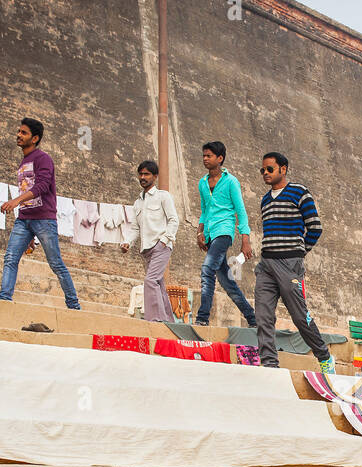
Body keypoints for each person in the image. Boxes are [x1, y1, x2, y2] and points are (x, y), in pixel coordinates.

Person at [254, 152, 335, 376]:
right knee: (262, 315)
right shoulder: (265, 200)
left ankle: (324, 356)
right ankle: (269, 364)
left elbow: (315, 227)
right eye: (262, 170)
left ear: (283, 169)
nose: (265, 174)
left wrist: (299, 252)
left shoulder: (300, 193)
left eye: (270, 169)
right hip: (266, 265)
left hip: (290, 264)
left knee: (299, 316)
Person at [0, 118, 82, 309]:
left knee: (55, 263)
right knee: (10, 258)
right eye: (19, 131)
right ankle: (4, 299)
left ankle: (74, 305)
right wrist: (27, 230)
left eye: (23, 133)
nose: (18, 135)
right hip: (24, 219)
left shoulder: (43, 159)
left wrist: (16, 201)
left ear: (35, 138)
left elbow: (42, 186)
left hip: (44, 219)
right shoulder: (24, 162)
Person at [195, 141, 256, 327]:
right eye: (204, 155)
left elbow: (241, 211)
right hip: (211, 234)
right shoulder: (202, 183)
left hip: (224, 232)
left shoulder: (230, 181)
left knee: (207, 270)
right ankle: (253, 319)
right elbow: (205, 211)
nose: (205, 159)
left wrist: (245, 240)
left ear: (220, 158)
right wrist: (200, 232)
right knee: (227, 282)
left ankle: (202, 318)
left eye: (209, 156)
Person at [120, 160, 180, 323]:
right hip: (146, 250)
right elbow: (135, 228)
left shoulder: (163, 196)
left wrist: (164, 240)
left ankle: (154, 320)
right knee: (158, 283)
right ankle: (168, 320)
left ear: (155, 176)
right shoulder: (138, 203)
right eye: (140, 174)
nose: (143, 177)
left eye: (146, 174)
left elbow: (174, 220)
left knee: (150, 281)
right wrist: (127, 242)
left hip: (161, 246)